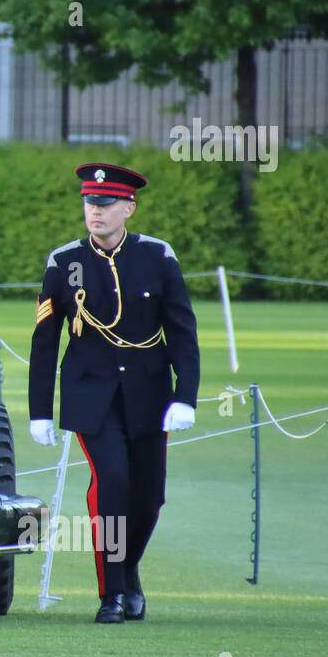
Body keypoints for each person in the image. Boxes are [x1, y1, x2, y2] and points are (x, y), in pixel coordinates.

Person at [28, 164, 199, 624]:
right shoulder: (64, 262)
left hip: (148, 393)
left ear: (128, 207)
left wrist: (187, 396)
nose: (95, 212)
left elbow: (183, 332)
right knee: (112, 483)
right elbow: (45, 342)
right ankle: (112, 596)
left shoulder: (158, 257)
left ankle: (126, 572)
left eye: (105, 205)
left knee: (150, 496)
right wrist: (39, 411)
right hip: (91, 396)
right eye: (89, 203)